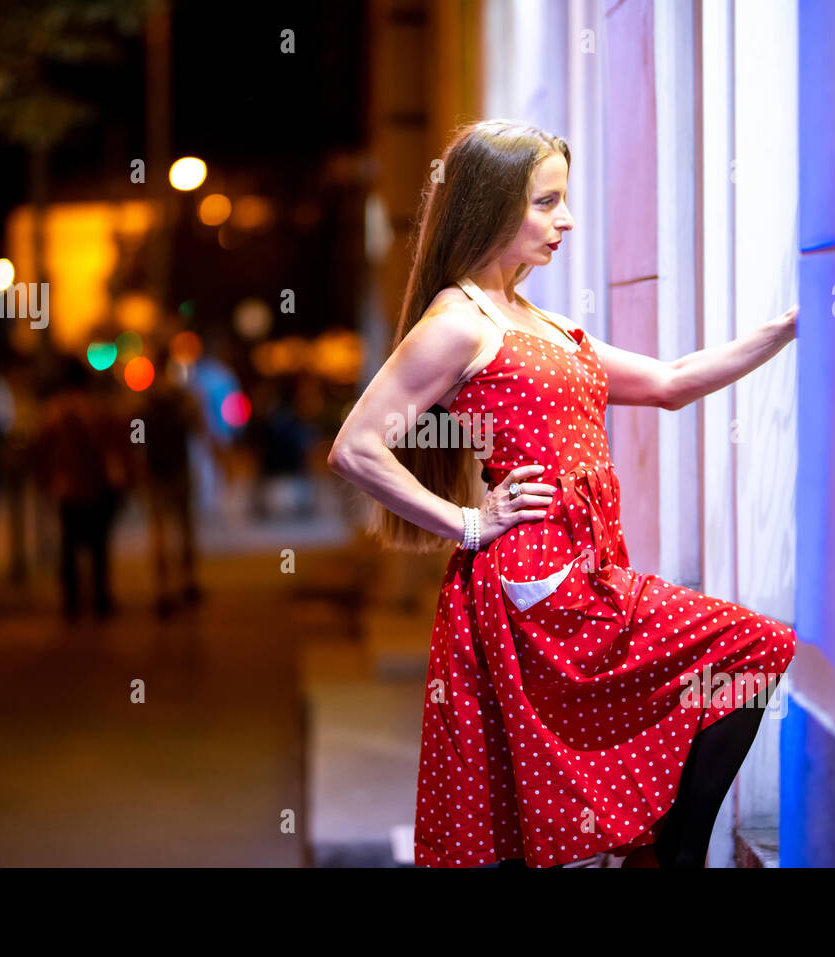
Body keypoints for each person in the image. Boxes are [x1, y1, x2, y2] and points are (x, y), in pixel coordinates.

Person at [327, 120, 799, 869]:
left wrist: (786, 329)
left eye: (563, 202)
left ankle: (664, 852)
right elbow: (356, 446)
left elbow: (673, 382)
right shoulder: (459, 321)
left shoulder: (548, 323)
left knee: (746, 654)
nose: (567, 221)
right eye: (547, 203)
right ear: (490, 206)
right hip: (534, 585)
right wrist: (467, 522)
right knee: (749, 643)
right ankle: (671, 857)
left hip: (592, 570)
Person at [34, 355, 133, 620]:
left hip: (68, 487)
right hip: (97, 485)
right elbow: (118, 446)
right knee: (99, 544)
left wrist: (45, 482)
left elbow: (42, 451)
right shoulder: (100, 409)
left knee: (70, 543)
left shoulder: (53, 412)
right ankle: (101, 597)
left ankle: (72, 601)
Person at [137, 345, 205, 617]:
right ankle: (188, 582)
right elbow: (198, 429)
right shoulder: (183, 398)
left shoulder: (143, 400)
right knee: (185, 527)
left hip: (155, 472)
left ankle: (162, 590)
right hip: (180, 469)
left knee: (159, 532)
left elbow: (136, 438)